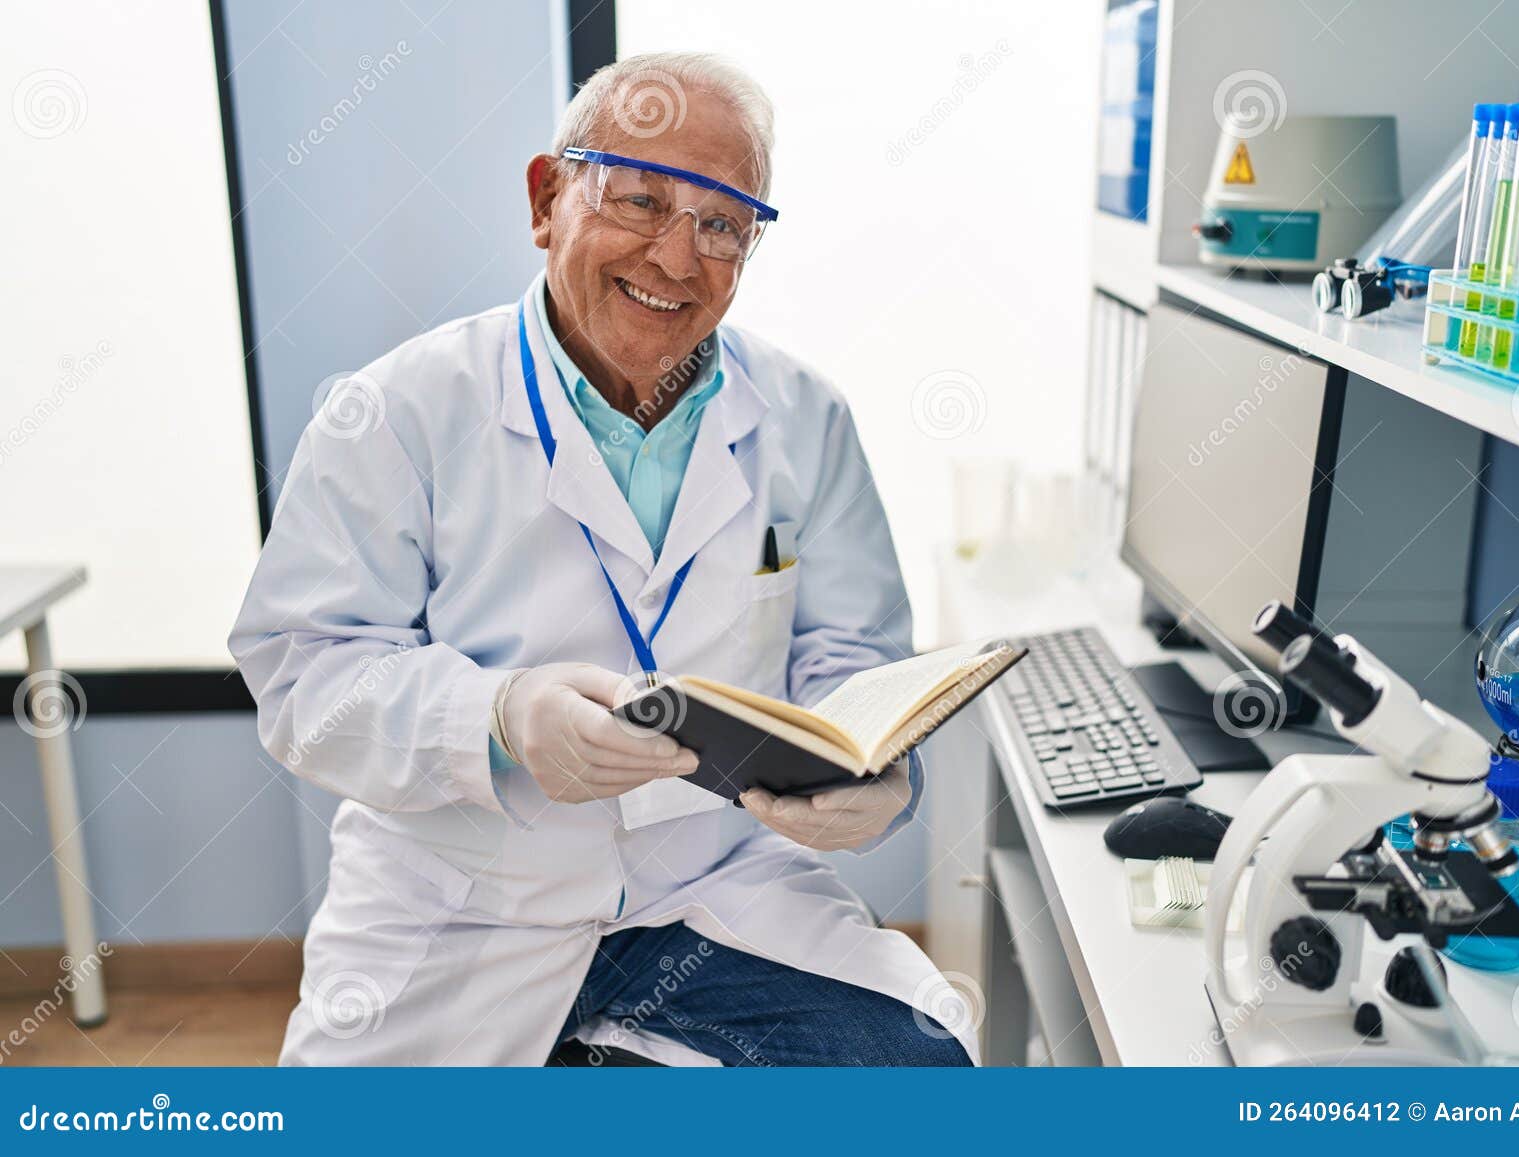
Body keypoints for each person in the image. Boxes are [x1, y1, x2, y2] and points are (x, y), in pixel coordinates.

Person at [230, 51, 973, 1067]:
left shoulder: (807, 417)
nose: (676, 258)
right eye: (639, 201)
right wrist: (498, 715)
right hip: (462, 902)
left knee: (921, 1068)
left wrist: (879, 776)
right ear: (547, 198)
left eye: (721, 223)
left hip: (715, 889)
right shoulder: (399, 410)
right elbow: (303, 674)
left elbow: (849, 654)